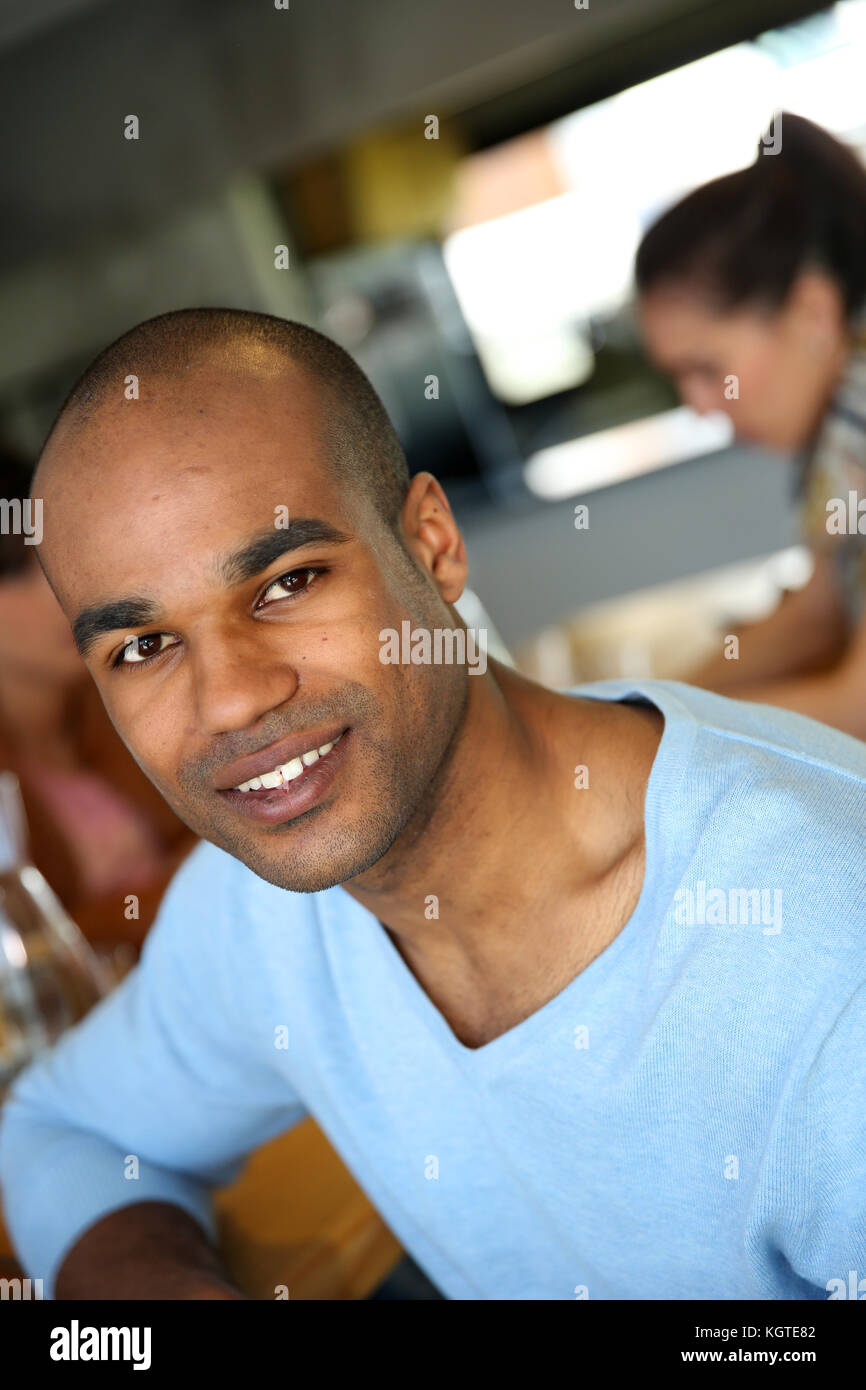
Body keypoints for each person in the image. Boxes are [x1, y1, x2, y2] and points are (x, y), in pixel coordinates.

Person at [0, 307, 864, 1302]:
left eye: (288, 581)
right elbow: (68, 1130)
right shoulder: (253, 917)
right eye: (142, 647)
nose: (230, 698)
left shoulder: (818, 954)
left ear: (432, 544)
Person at [635, 112, 866, 738]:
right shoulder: (843, 433)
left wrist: (640, 738)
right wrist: (643, 705)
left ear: (813, 313)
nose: (703, 406)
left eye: (707, 369)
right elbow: (819, 613)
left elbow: (857, 707)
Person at [0, 446, 197, 946]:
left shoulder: (136, 681)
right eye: (22, 571)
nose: (63, 591)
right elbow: (25, 954)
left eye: (61, 555)